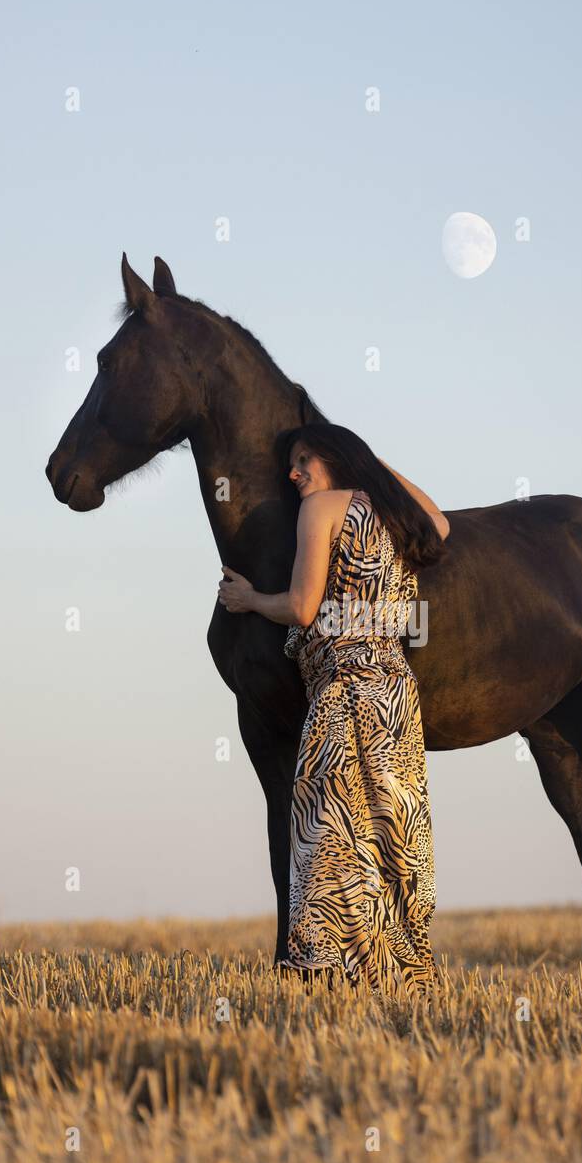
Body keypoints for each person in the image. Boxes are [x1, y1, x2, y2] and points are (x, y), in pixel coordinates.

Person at [218, 422, 450, 995]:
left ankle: (332, 975)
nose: (293, 473)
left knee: (328, 838)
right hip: (396, 693)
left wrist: (248, 599)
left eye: (304, 459)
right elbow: (441, 523)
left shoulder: (321, 508)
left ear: (336, 459)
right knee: (392, 836)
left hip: (344, 688)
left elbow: (302, 607)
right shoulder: (394, 515)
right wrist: (372, 467)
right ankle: (399, 977)